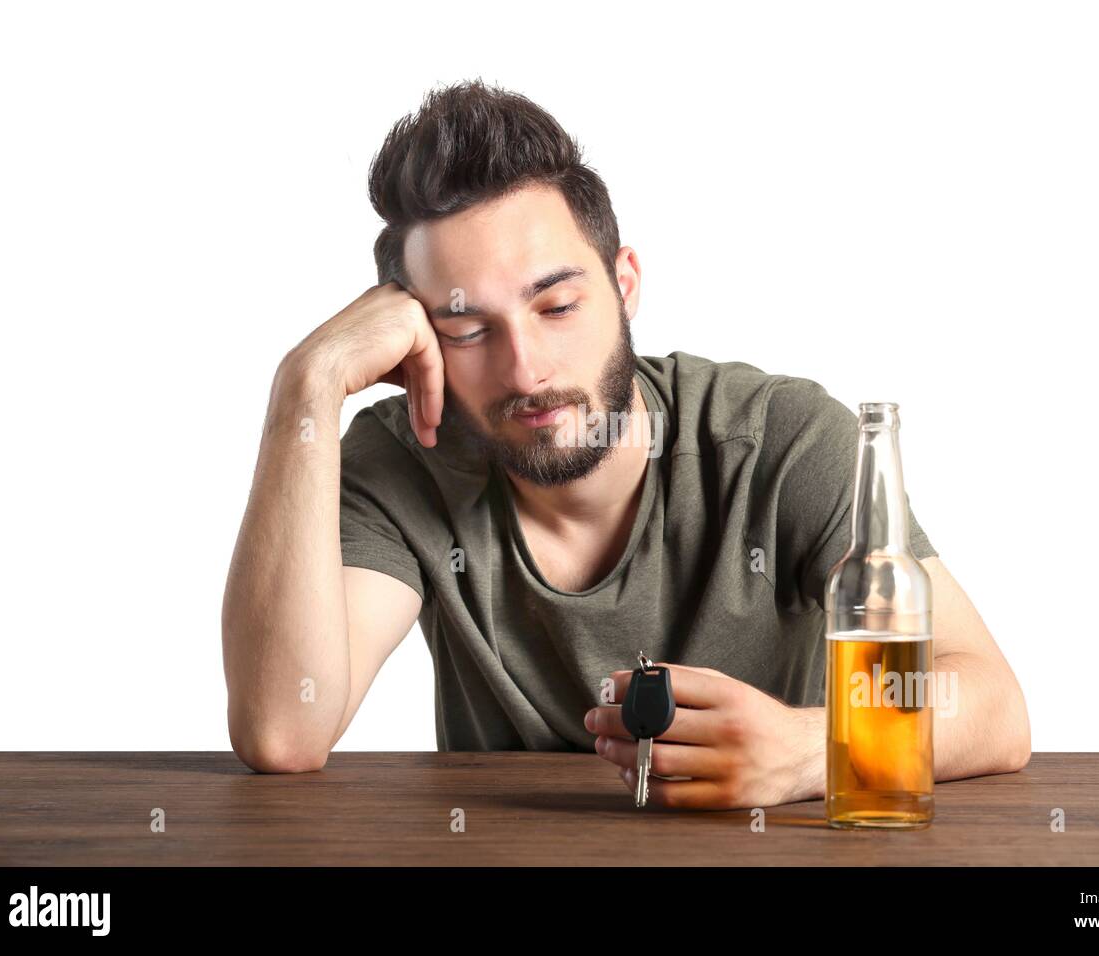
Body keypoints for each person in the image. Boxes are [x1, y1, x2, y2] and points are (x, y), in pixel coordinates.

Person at [221, 79, 1030, 809]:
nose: (527, 370)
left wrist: (812, 750)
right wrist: (308, 384)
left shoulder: (782, 440)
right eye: (466, 330)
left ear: (624, 283)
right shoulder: (402, 461)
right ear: (414, 345)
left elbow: (990, 706)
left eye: (558, 307)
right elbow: (286, 731)